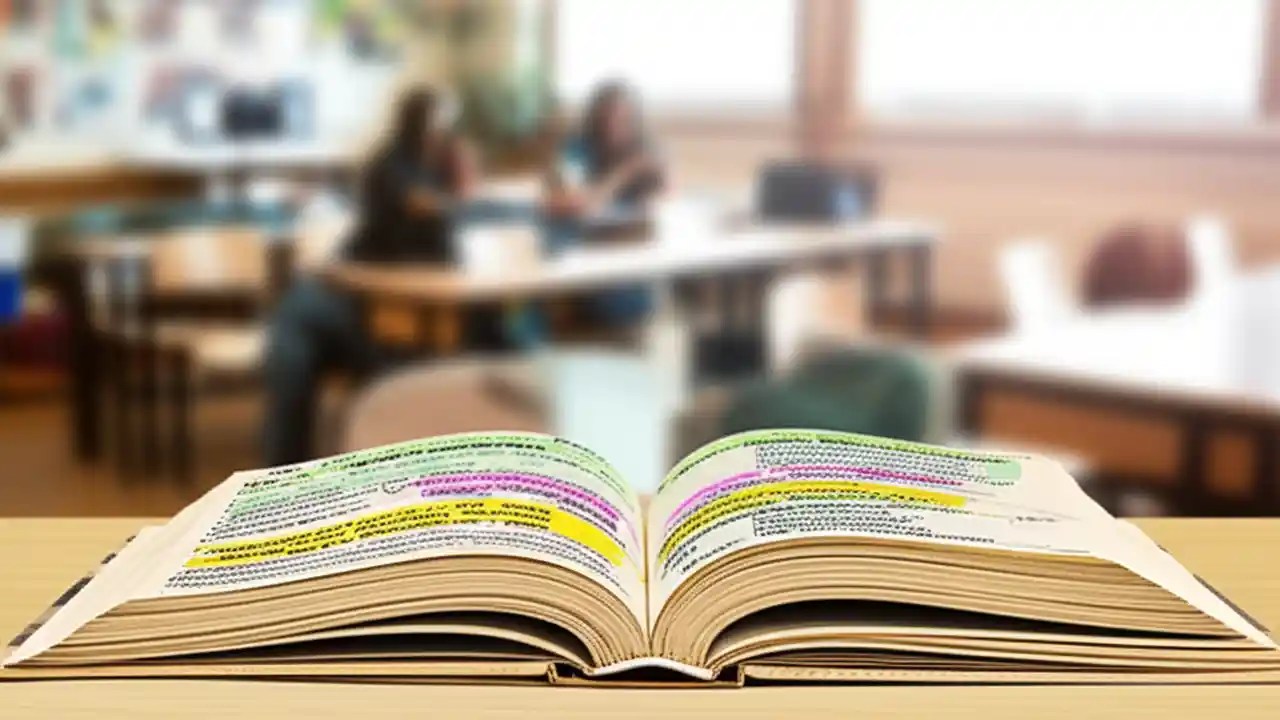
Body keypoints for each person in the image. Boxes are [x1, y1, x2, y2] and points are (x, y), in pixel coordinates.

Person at [262, 87, 476, 466]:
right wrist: (458, 191)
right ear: (419, 124)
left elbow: (451, 238)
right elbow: (419, 204)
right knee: (292, 343)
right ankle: (280, 479)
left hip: (401, 310)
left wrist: (461, 184)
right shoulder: (391, 166)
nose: (446, 134)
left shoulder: (441, 174)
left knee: (430, 361)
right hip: (347, 291)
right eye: (439, 123)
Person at [541, 80, 667, 325]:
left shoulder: (641, 147)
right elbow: (574, 203)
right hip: (582, 257)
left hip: (631, 261)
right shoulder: (576, 149)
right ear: (595, 117)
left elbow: (662, 205)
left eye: (624, 119)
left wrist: (657, 179)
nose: (614, 125)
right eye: (607, 116)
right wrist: (624, 174)